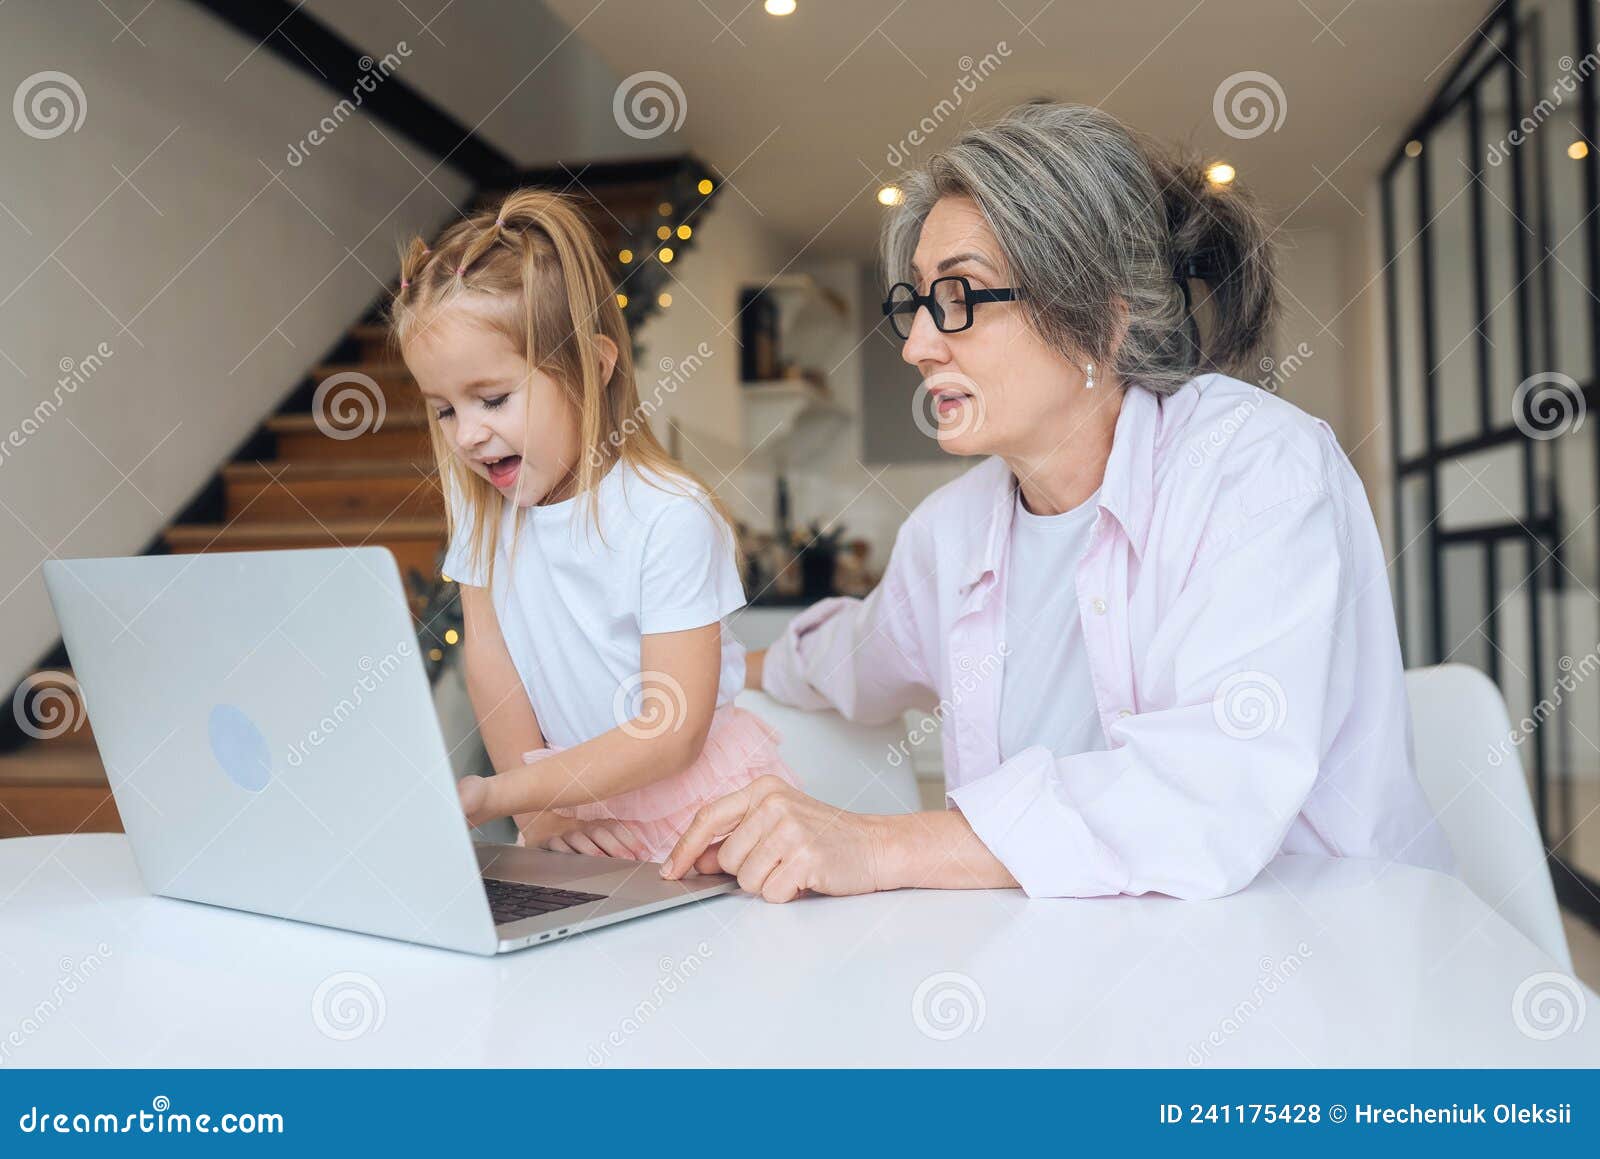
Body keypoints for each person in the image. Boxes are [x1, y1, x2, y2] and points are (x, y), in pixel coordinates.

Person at [661, 101, 1454, 902]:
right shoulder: (951, 532)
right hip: (1074, 963)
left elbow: (1209, 789)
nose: (918, 345)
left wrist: (878, 845)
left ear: (1103, 319)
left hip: (1319, 944)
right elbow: (848, 658)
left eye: (961, 294)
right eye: (917, 303)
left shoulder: (1253, 467)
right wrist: (692, 668)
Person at [389, 189, 797, 862]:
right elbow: (490, 668)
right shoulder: (483, 514)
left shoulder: (668, 516)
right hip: (573, 814)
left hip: (704, 813)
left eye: (492, 399)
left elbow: (672, 731)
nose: (467, 435)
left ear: (594, 366)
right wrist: (538, 812)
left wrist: (500, 794)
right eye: (445, 410)